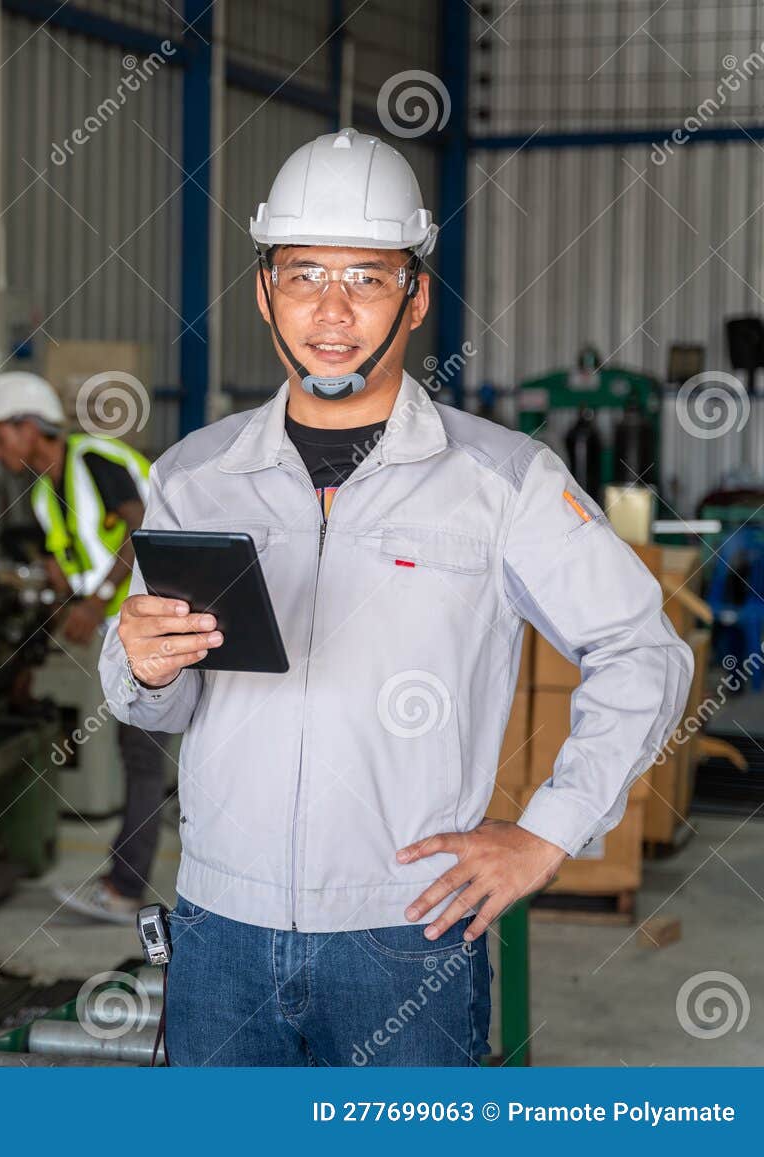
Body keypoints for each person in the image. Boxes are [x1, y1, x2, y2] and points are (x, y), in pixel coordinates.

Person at [99, 128, 692, 1066]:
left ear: (414, 296)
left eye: (368, 278)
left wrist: (546, 834)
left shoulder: (504, 480)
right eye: (303, 275)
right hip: (219, 934)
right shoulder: (195, 475)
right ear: (264, 292)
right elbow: (154, 697)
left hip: (406, 938)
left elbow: (645, 651)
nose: (331, 311)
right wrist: (137, 662)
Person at [0, 372, 172, 923]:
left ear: (30, 427)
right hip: (124, 632)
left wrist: (97, 600)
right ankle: (126, 882)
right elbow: (66, 571)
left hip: (160, 622)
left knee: (142, 756)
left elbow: (144, 533)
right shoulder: (43, 495)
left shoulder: (93, 462)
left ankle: (125, 889)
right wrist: (60, 604)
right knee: (140, 755)